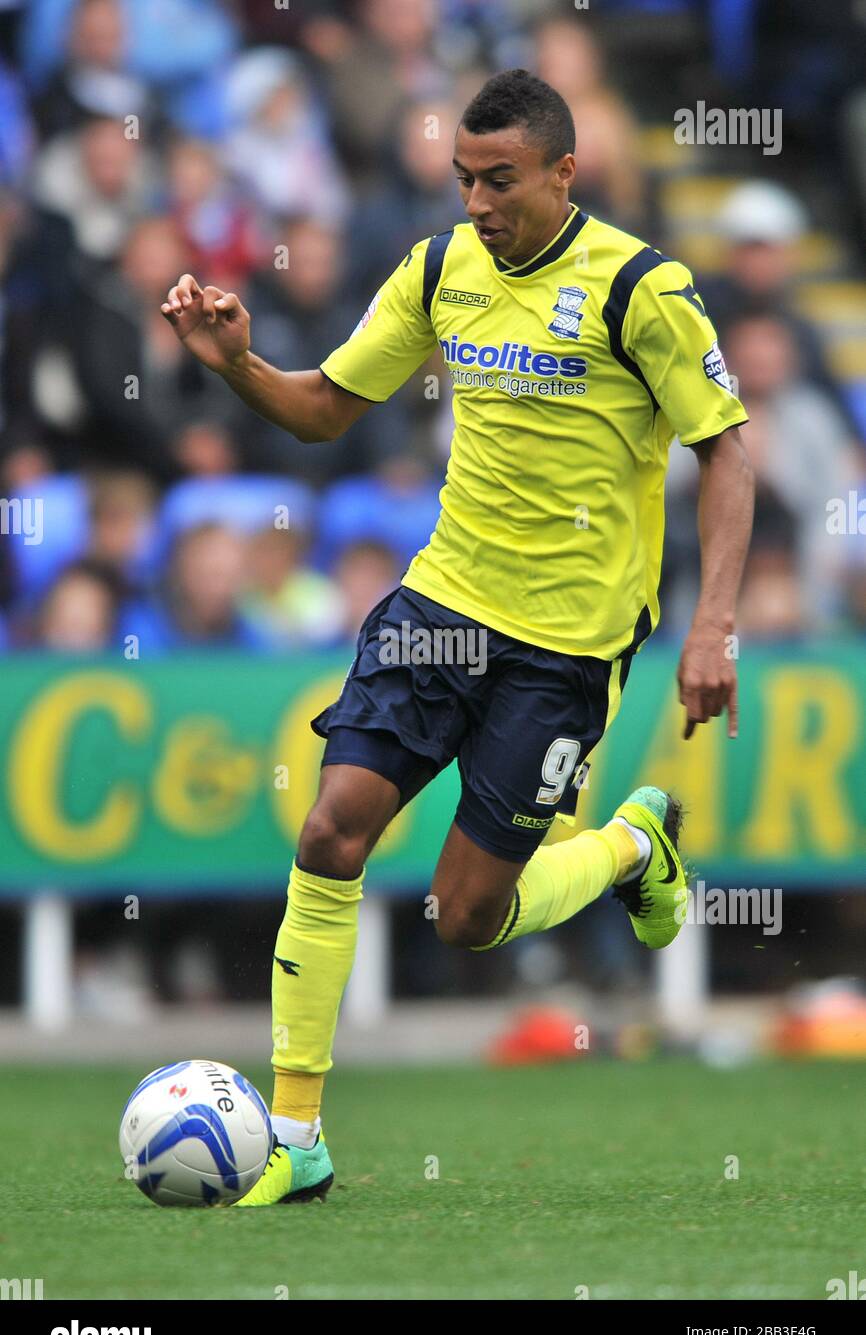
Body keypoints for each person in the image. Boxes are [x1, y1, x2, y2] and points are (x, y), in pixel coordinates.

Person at [161, 69, 754, 1206]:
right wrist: (237, 363)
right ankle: (297, 1134)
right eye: (463, 179)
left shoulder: (640, 286)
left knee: (468, 912)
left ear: (563, 172)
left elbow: (724, 446)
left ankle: (634, 846)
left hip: (568, 647)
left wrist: (711, 624)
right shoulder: (439, 269)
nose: (477, 202)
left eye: (500, 181)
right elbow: (329, 405)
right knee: (332, 832)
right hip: (439, 607)